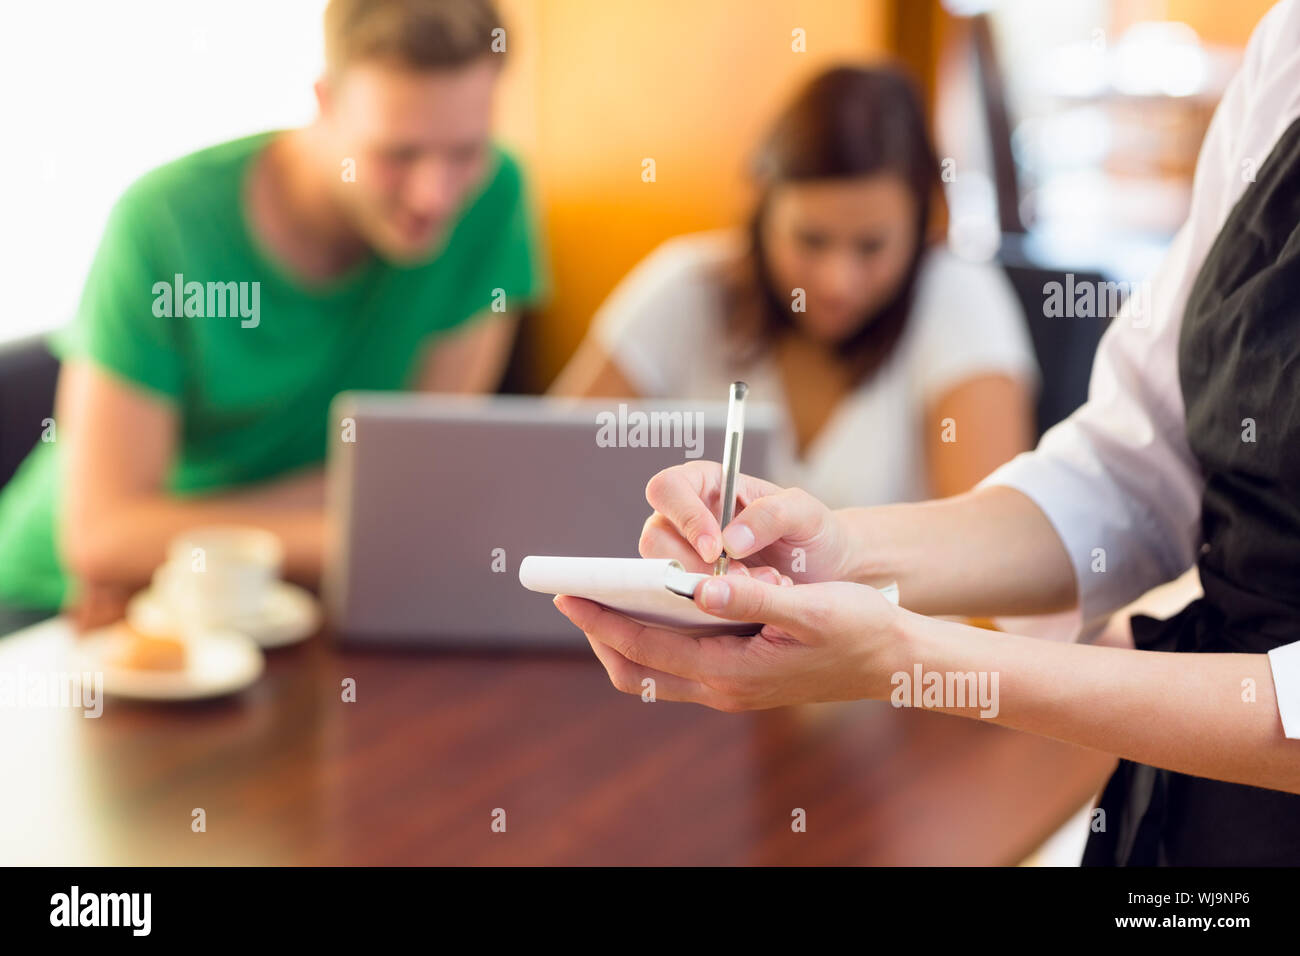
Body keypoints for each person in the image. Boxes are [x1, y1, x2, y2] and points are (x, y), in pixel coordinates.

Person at [554, 0, 1300, 866]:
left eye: (870, 243)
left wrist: (904, 653)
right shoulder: (1283, 47)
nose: (839, 277)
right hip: (1198, 829)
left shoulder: (959, 310)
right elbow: (1135, 473)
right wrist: (833, 545)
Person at [0, 0, 544, 630]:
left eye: (464, 152)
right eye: (398, 155)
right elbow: (104, 537)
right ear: (325, 101)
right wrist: (372, 536)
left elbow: (420, 473)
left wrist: (389, 527)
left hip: (290, 602)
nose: (434, 193)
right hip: (62, 605)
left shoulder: (495, 198)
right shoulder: (163, 222)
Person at [552, 65, 1037, 509]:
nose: (836, 282)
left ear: (920, 226)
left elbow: (993, 570)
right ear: (763, 208)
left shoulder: (961, 300)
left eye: (871, 247)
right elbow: (547, 468)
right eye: (811, 240)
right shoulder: (688, 286)